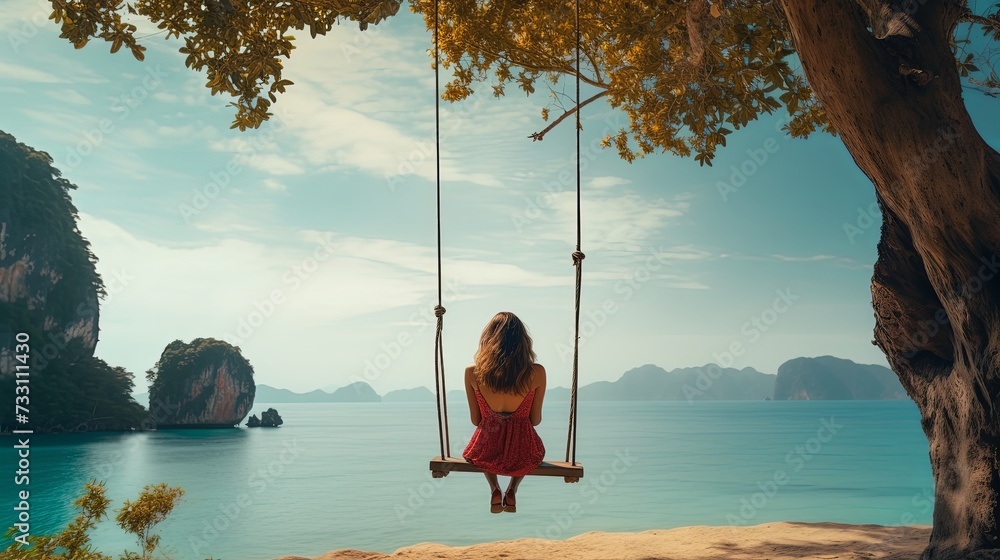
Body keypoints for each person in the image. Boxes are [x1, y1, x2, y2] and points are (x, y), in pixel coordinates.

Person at [463, 311, 546, 513]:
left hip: (487, 449)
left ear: (488, 339)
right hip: (522, 450)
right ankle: (512, 490)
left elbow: (476, 420)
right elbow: (535, 420)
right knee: (528, 449)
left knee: (483, 445)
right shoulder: (537, 373)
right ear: (523, 342)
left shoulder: (472, 373)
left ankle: (494, 489)